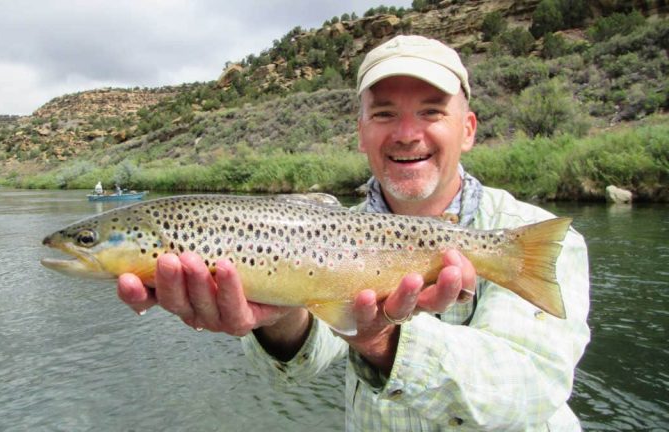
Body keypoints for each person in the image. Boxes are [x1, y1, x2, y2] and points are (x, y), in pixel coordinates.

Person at [116, 35, 590, 430]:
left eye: (430, 112)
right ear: (360, 131)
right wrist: (278, 315)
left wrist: (382, 342)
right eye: (384, 114)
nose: (407, 133)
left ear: (467, 130)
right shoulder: (326, 232)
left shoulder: (529, 240)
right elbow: (298, 366)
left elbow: (530, 389)